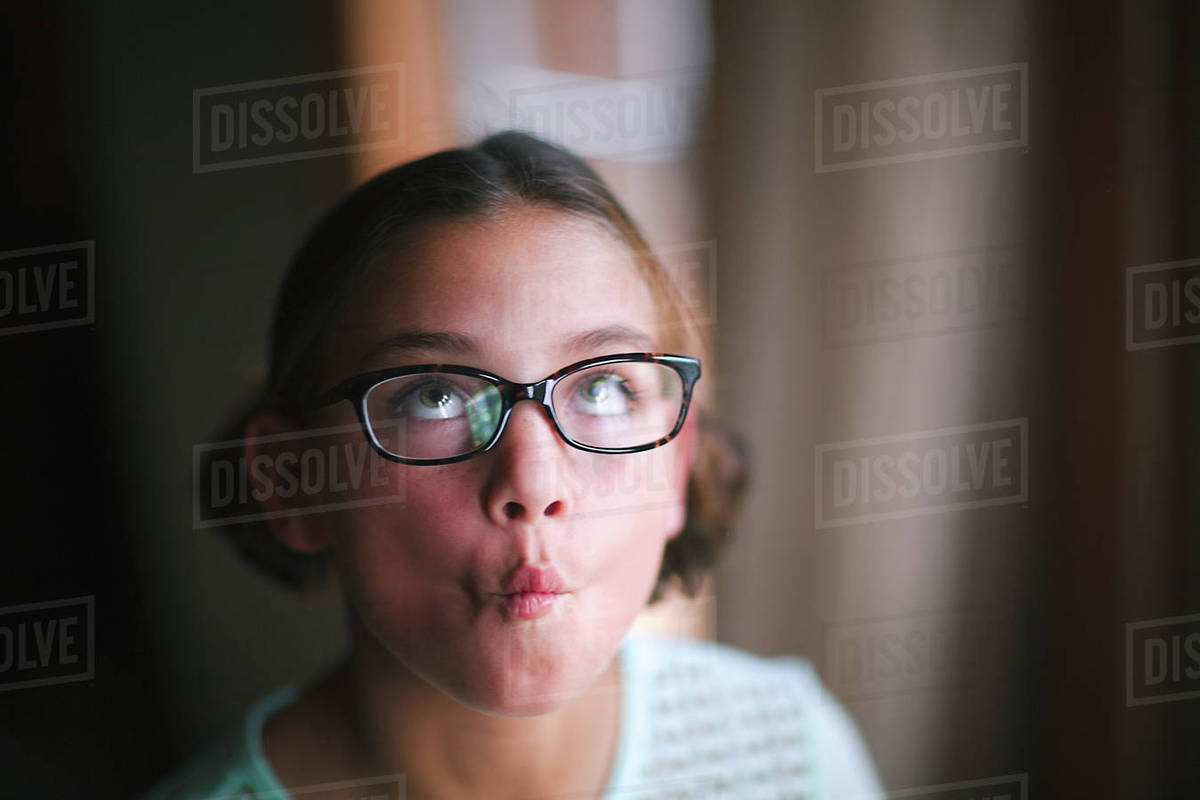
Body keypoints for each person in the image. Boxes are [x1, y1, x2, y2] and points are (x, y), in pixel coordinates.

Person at [144, 131, 882, 799]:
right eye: (434, 396)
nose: (533, 485)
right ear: (294, 483)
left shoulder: (791, 751)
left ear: (675, 463)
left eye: (602, 387)